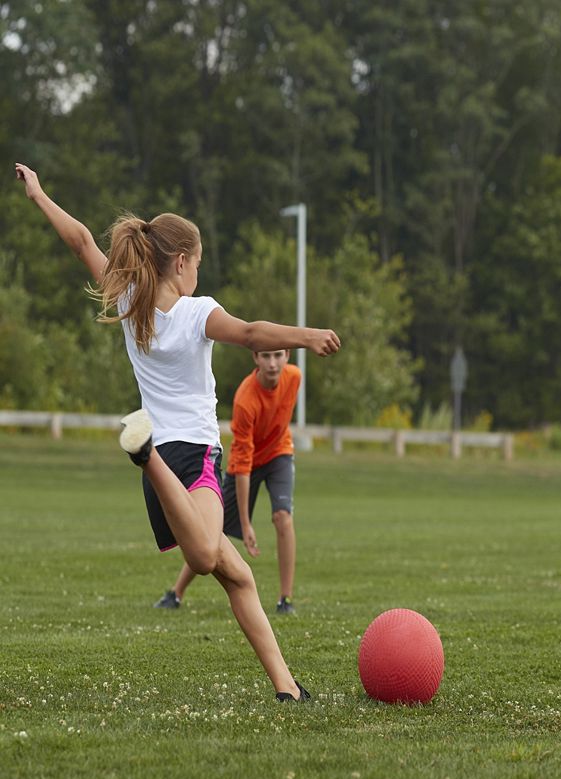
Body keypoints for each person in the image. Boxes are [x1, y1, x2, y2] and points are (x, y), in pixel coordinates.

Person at [15, 162, 341, 701]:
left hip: (165, 463)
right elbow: (255, 333)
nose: (198, 276)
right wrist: (306, 335)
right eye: (198, 265)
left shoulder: (130, 299)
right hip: (190, 455)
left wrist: (41, 196)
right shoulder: (196, 313)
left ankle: (287, 686)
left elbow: (78, 244)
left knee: (237, 576)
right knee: (205, 556)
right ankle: (143, 454)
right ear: (183, 261)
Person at [154, 348, 302, 614]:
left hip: (279, 454)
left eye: (278, 355)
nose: (272, 363)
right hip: (244, 464)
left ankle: (285, 600)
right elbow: (244, 465)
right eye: (265, 356)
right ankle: (175, 593)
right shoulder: (246, 399)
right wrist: (245, 526)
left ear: (288, 356)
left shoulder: (295, 378)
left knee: (284, 517)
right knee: (210, 532)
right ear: (255, 358)